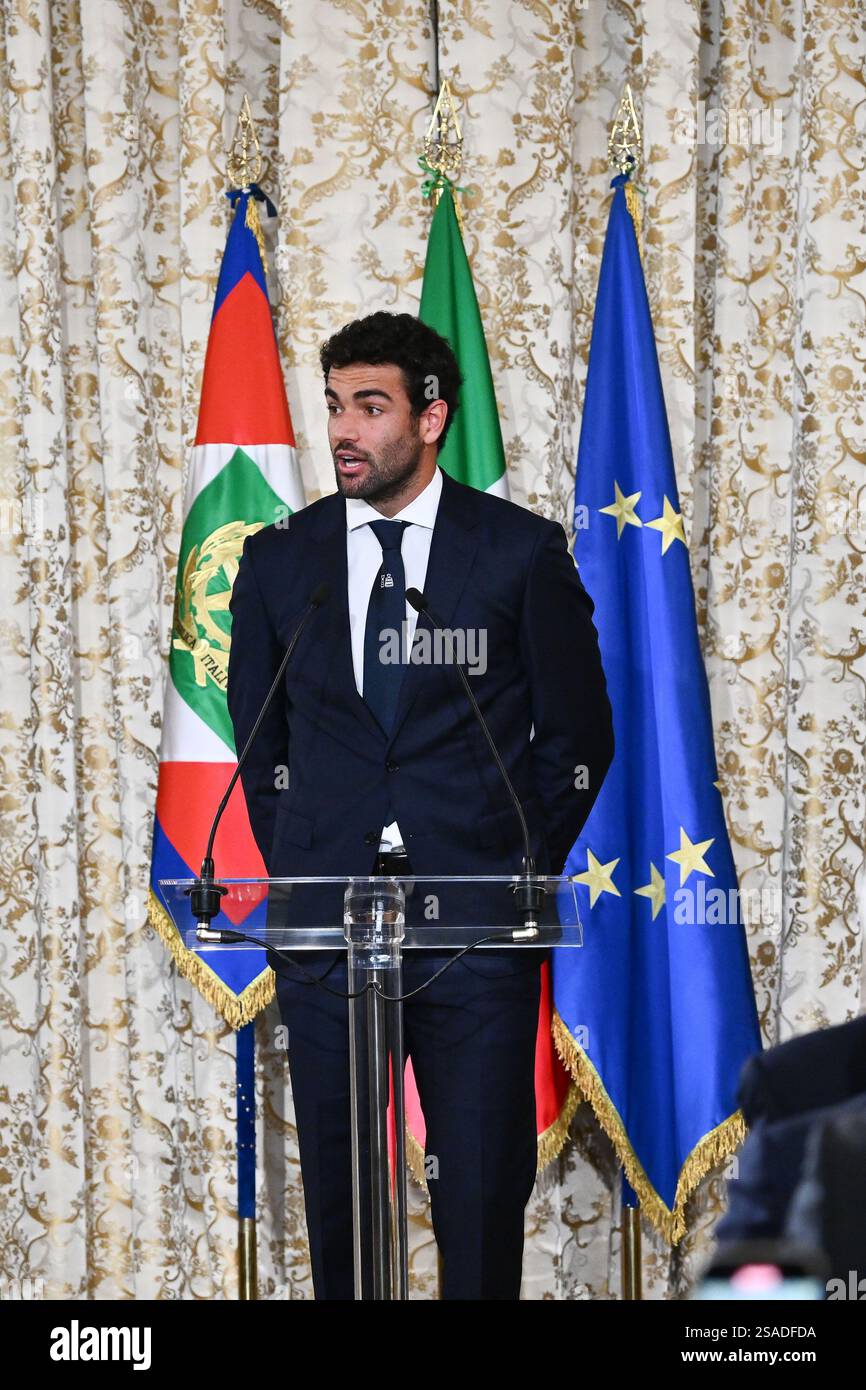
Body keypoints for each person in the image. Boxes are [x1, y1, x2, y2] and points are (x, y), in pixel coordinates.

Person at [227, 311, 614, 1299]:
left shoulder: (517, 554)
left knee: (478, 1191)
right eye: (333, 407)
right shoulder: (281, 563)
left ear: (431, 416)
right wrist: (309, 860)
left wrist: (509, 856)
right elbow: (259, 739)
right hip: (327, 933)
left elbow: (577, 737)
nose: (343, 430)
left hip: (473, 930)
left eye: (370, 405)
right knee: (345, 1193)